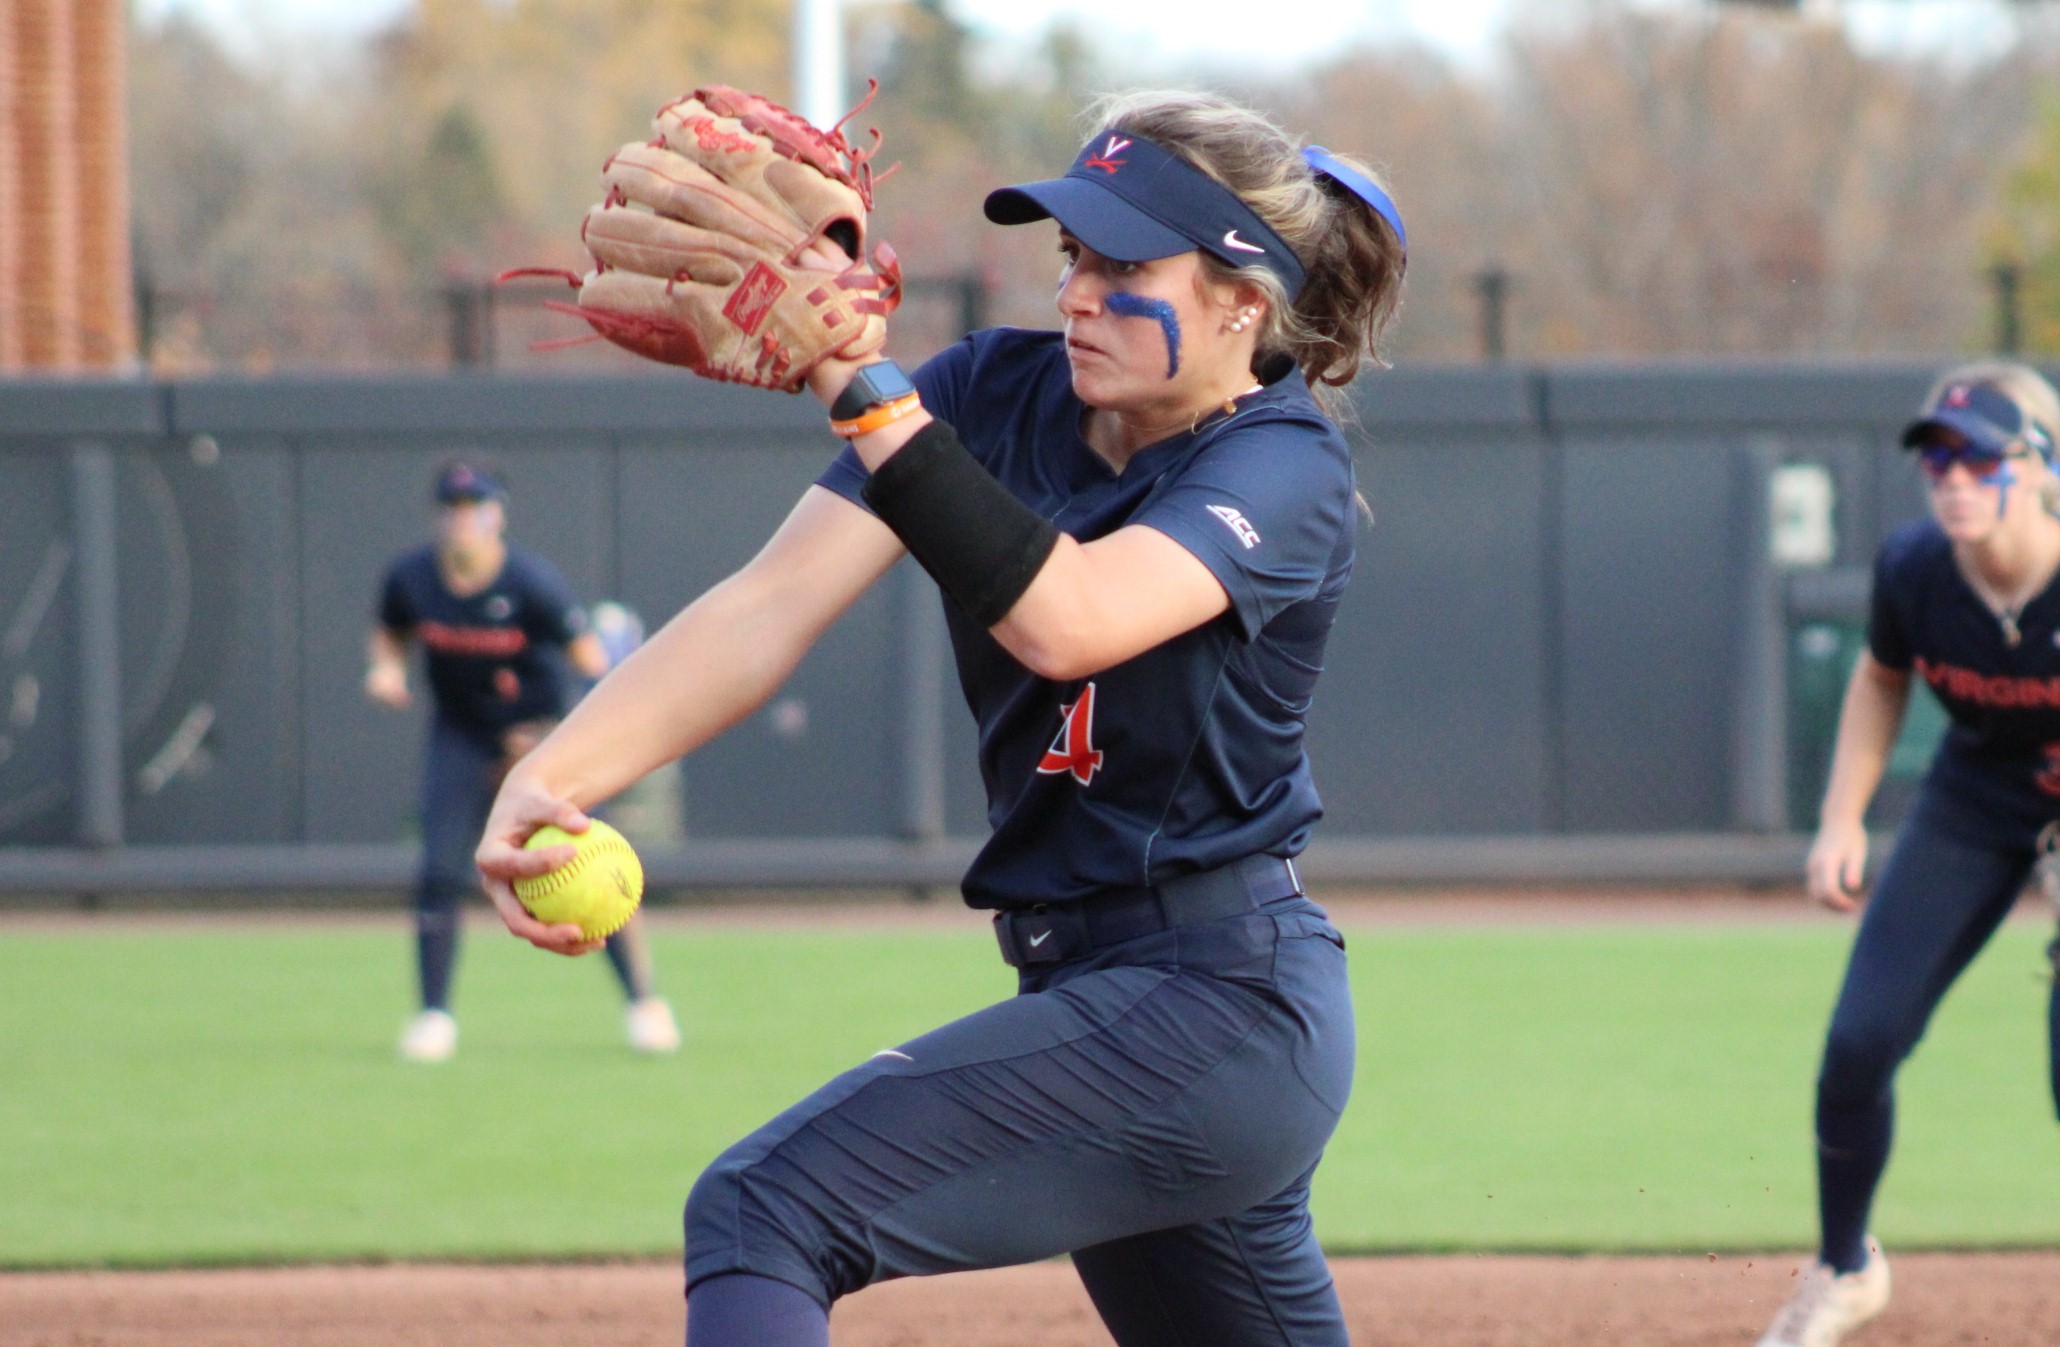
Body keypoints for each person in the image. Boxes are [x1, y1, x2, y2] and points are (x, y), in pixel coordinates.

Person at [473, 90, 1405, 1347]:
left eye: (1125, 263)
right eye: (1072, 253)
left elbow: (1068, 619)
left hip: (1214, 1003)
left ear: (1243, 297)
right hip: (1110, 999)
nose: (1077, 290)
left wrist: (857, 382)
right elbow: (767, 607)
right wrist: (553, 778)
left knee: (765, 1212)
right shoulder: (988, 393)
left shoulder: (1284, 466)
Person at [1756, 365, 2060, 1347]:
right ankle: (1845, 1271)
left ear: (2038, 468)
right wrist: (1841, 818)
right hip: (1973, 803)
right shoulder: (1914, 570)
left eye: (1977, 456)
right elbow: (1880, 676)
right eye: (1936, 457)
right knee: (1856, 1047)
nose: (1952, 476)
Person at [368, 461, 680, 1061]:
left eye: (476, 507)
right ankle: (433, 1016)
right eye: (454, 508)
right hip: (460, 734)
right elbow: (391, 631)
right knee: (437, 869)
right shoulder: (411, 578)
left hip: (543, 740)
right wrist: (384, 668)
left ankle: (643, 1002)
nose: (464, 520)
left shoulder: (532, 584)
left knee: (596, 867)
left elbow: (591, 664)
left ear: (497, 515)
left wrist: (555, 735)